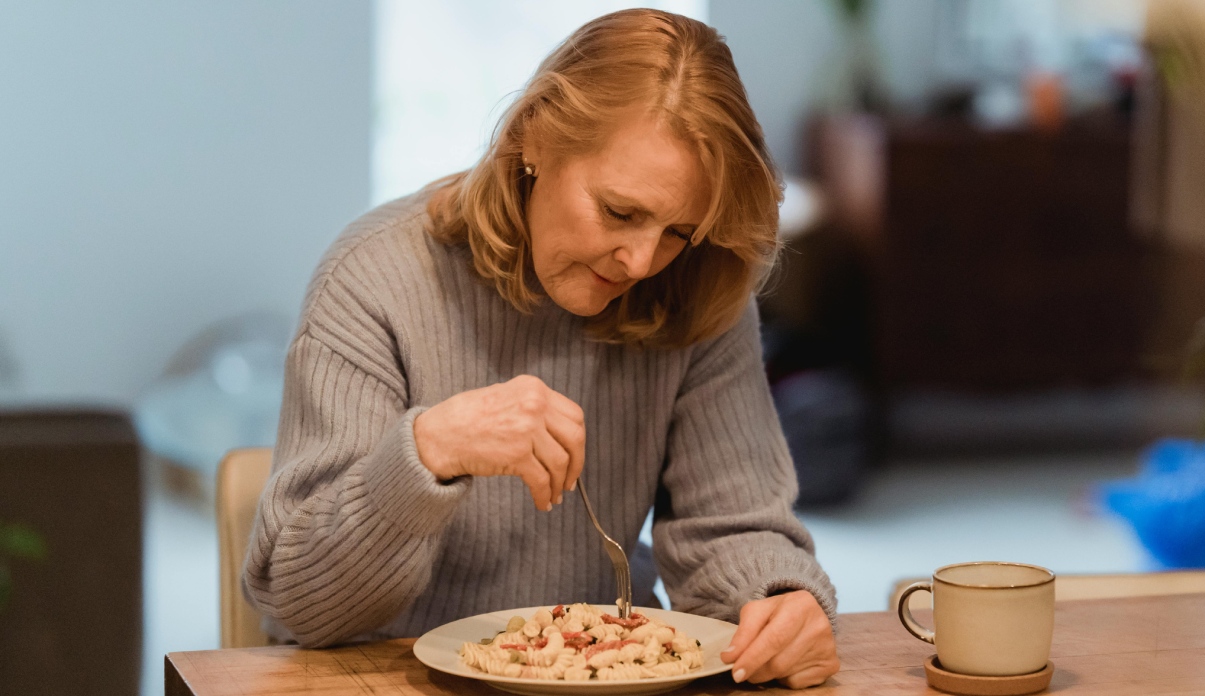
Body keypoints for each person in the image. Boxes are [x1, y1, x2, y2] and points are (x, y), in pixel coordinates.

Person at [243, 8, 838, 689]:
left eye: (679, 231)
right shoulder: (372, 279)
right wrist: (428, 452)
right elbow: (302, 605)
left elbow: (732, 528)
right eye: (620, 212)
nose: (643, 261)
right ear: (534, 137)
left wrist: (774, 605)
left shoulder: (696, 287)